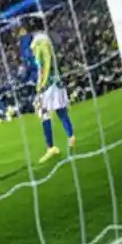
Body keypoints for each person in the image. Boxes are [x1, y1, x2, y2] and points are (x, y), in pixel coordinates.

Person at [19, 16, 74, 163]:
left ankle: (51, 147)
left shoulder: (38, 42)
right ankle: (71, 137)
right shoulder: (46, 39)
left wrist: (41, 83)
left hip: (48, 83)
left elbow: (43, 64)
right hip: (57, 80)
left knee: (44, 113)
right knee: (61, 111)